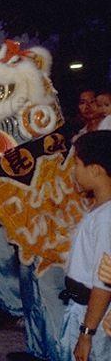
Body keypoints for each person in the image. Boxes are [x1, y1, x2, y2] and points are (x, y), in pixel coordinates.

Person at [57, 130, 111, 361]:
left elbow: (104, 284)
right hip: (81, 309)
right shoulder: (98, 209)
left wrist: (86, 334)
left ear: (95, 169)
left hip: (93, 317)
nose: (73, 171)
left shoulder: (106, 218)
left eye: (77, 163)